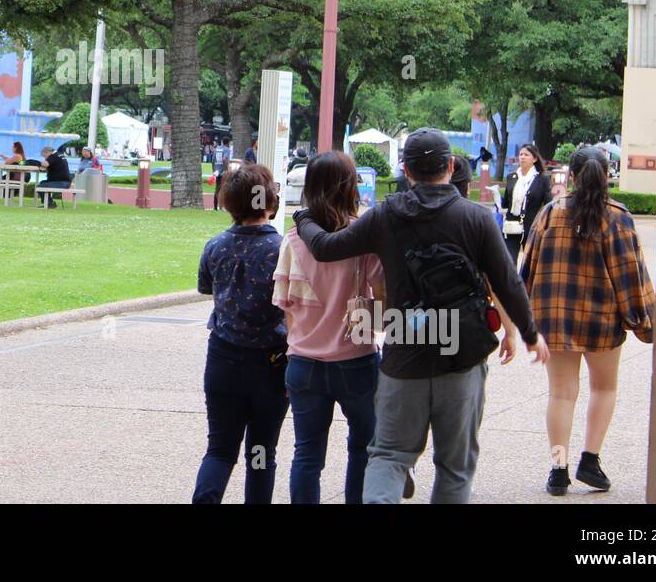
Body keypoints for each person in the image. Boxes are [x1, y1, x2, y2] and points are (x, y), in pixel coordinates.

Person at [293, 128, 548, 503]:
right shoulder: (476, 218)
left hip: (405, 352)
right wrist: (529, 333)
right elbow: (508, 281)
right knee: (455, 468)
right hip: (461, 355)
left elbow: (326, 248)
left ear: (406, 170)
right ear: (450, 166)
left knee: (389, 456)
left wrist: (303, 218)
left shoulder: (384, 216)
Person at [519, 145, 654, 496]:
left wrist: (524, 319)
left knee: (561, 393)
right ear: (606, 175)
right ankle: (590, 461)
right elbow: (631, 276)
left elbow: (527, 268)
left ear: (572, 177)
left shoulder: (551, 212)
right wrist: (645, 323)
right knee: (603, 388)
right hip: (603, 321)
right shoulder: (618, 217)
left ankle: (558, 469)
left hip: (556, 319)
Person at [274, 152, 384, 504]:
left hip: (304, 361)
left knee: (306, 454)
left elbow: (286, 305)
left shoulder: (293, 240)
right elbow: (383, 299)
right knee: (364, 447)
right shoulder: (363, 236)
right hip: (356, 359)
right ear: (350, 187)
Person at [193, 163, 288, 503]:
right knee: (261, 453)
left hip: (223, 359)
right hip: (270, 363)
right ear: (270, 202)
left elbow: (206, 287)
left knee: (220, 450)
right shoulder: (282, 250)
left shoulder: (215, 246)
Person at [501, 143, 549, 260]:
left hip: (531, 226)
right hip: (511, 225)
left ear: (535, 159)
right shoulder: (512, 177)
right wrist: (497, 197)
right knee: (509, 260)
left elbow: (548, 204)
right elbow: (506, 202)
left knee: (529, 261)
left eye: (526, 155)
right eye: (521, 154)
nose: (522, 157)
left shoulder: (542, 179)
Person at [211, 140, 232, 211]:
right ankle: (222, 206)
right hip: (223, 172)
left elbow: (213, 160)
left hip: (217, 171)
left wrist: (214, 170)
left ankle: (215, 207)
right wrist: (226, 170)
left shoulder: (217, 149)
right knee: (225, 189)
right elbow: (224, 159)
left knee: (217, 189)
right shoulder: (227, 150)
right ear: (228, 143)